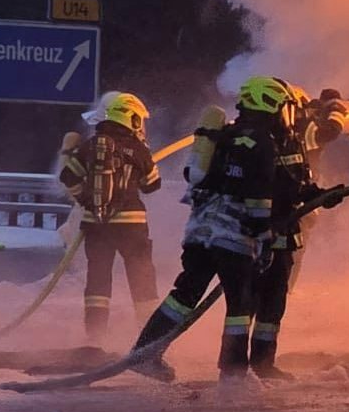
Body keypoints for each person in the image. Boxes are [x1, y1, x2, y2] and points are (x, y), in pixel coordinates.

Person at [128, 77, 307, 381]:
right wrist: (264, 237)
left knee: (184, 295)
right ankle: (233, 373)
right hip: (232, 236)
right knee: (240, 303)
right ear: (270, 104)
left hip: (200, 232)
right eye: (283, 107)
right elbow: (258, 196)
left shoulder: (225, 135)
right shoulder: (263, 142)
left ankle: (144, 352)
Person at [58, 91, 161, 341]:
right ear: (131, 118)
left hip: (96, 225)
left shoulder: (90, 146)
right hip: (132, 226)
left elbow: (68, 177)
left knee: (98, 281)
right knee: (141, 278)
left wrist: (86, 200)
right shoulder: (138, 148)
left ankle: (95, 337)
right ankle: (148, 338)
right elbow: (152, 185)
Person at [246, 79, 330, 379]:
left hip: (277, 232)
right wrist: (334, 109)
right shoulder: (269, 141)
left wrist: (316, 194)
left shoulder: (283, 139)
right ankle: (241, 366)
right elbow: (277, 187)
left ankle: (257, 364)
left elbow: (294, 183)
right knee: (254, 302)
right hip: (265, 234)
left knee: (269, 302)